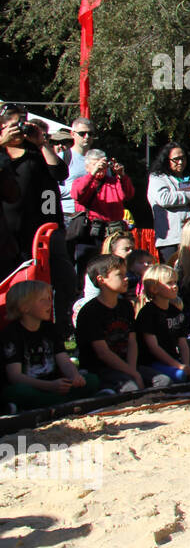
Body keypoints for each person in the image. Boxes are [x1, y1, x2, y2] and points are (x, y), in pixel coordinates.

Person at [1, 112, 78, 331]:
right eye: (13, 125)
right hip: (12, 232)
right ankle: (17, 329)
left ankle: (60, 327)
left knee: (64, 279)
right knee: (19, 283)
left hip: (47, 229)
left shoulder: (36, 152)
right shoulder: (2, 153)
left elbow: (60, 172)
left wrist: (42, 142)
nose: (19, 129)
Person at [2, 280, 99, 412]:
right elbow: (15, 376)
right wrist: (49, 386)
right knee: (17, 392)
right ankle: (63, 405)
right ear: (25, 307)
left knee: (92, 380)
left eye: (49, 299)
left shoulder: (50, 329)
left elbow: (64, 361)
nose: (49, 304)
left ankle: (52, 405)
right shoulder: (12, 333)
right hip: (34, 387)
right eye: (43, 300)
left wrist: (74, 376)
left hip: (55, 386)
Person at [75, 254, 147, 393]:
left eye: (126, 274)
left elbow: (132, 342)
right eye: (120, 275)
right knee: (131, 388)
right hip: (101, 369)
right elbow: (103, 353)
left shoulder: (125, 306)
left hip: (127, 364)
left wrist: (132, 370)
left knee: (163, 381)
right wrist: (133, 374)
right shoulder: (90, 312)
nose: (126, 279)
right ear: (101, 280)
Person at [136, 263, 190, 384]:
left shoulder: (175, 312)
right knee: (180, 376)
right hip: (153, 362)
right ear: (154, 288)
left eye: (175, 282)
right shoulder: (148, 313)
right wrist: (179, 367)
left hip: (175, 361)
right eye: (169, 283)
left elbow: (182, 342)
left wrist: (186, 364)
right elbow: (153, 347)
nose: (175, 286)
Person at [70, 149, 134, 272]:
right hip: (90, 233)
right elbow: (77, 194)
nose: (99, 168)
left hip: (112, 233)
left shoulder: (114, 182)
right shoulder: (81, 181)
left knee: (113, 268)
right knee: (88, 268)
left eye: (102, 165)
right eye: (95, 164)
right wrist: (92, 174)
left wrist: (121, 175)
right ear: (87, 166)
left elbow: (128, 195)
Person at [147, 143, 190, 261]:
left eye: (183, 158)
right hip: (172, 238)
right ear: (167, 160)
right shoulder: (158, 178)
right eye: (176, 159)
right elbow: (164, 198)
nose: (180, 162)